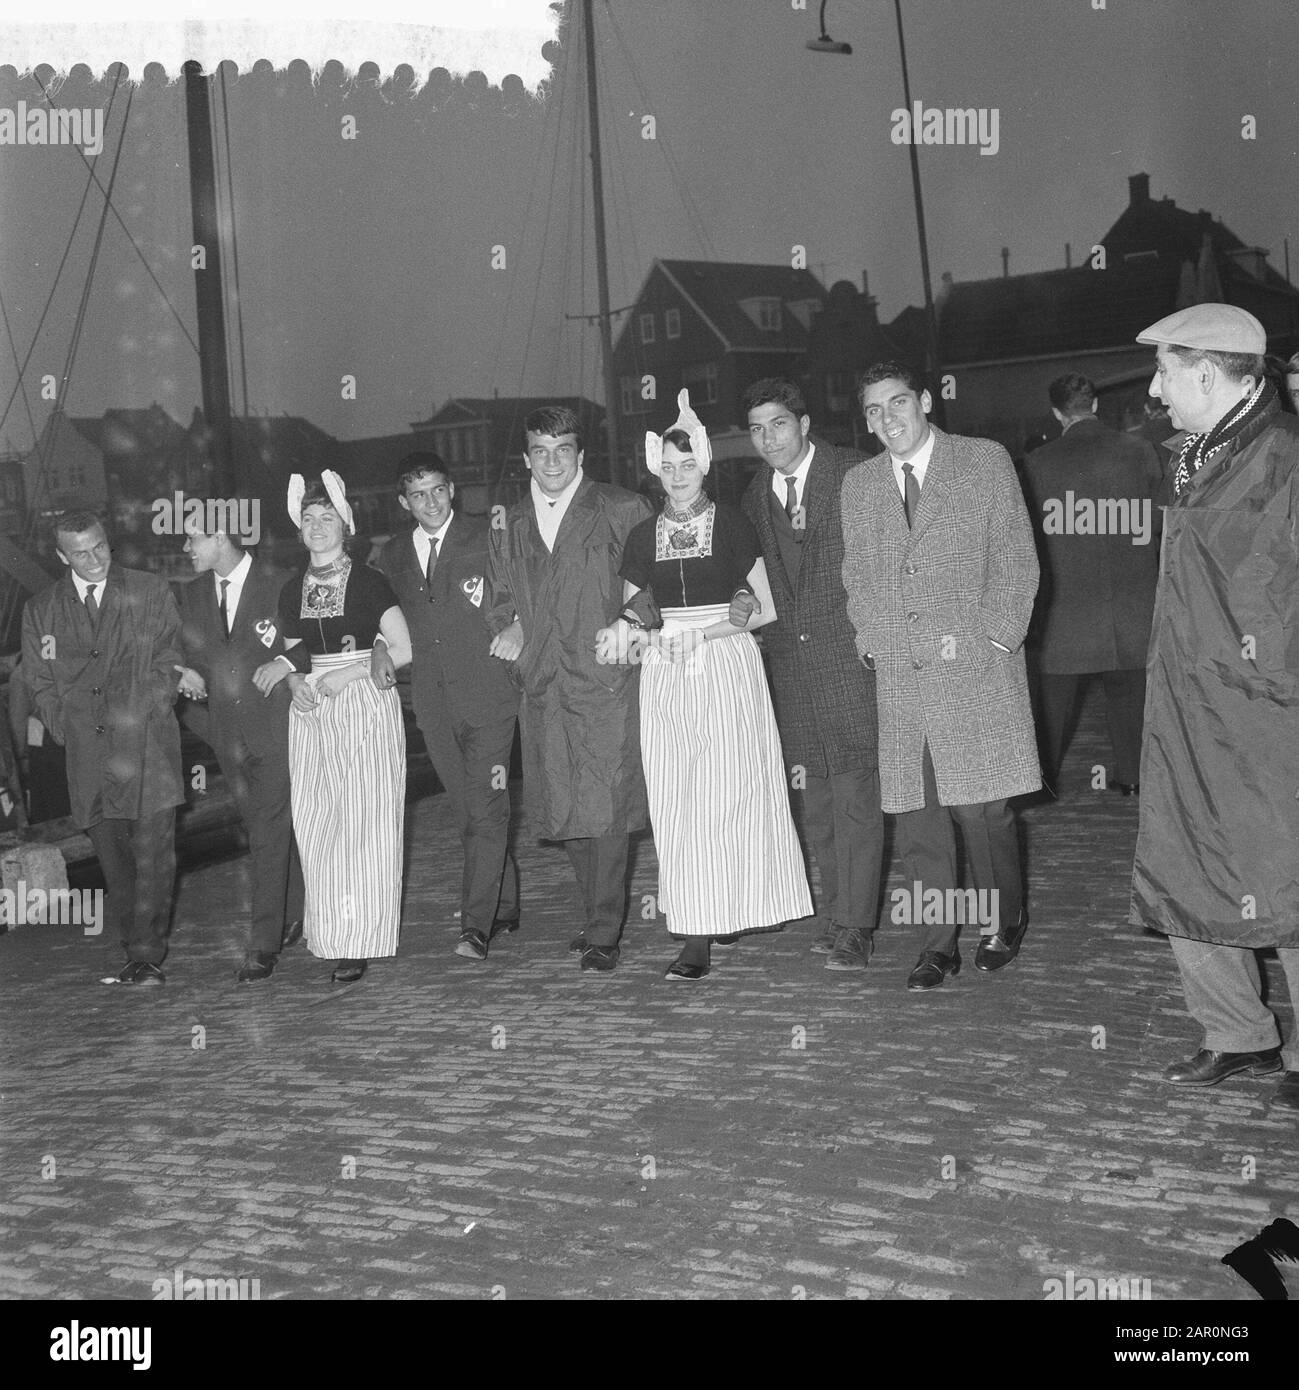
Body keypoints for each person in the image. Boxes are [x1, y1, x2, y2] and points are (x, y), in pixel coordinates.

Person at [1129, 304, 1299, 1105]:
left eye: (1164, 371)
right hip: (1189, 702)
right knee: (1187, 856)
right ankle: (1234, 1033)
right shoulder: (1194, 456)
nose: (1156, 390)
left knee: (1286, 871)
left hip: (1266, 711)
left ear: (1205, 372)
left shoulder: (1282, 460)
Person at [596, 392, 811, 980]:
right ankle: (693, 932)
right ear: (654, 470)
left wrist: (710, 631)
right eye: (666, 467)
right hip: (669, 676)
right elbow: (634, 615)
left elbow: (762, 608)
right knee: (679, 798)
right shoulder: (642, 537)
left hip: (726, 668)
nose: (677, 477)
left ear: (706, 464)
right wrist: (641, 637)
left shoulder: (735, 522)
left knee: (733, 790)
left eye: (686, 465)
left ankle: (735, 904)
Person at [841, 362, 1041, 990]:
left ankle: (1002, 919)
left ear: (926, 401)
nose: (887, 420)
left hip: (974, 666)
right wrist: (870, 636)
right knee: (921, 818)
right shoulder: (860, 483)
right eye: (873, 411)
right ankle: (938, 944)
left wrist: (994, 638)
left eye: (897, 403)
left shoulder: (983, 461)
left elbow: (1016, 560)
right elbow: (860, 576)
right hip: (902, 674)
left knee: (984, 813)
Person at [485, 404, 652, 973]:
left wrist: (630, 624)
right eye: (540, 451)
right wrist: (509, 626)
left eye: (563, 451)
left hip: (605, 678)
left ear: (581, 455)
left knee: (604, 804)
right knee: (565, 804)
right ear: (527, 457)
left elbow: (651, 582)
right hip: (544, 682)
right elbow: (499, 595)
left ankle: (606, 926)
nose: (551, 462)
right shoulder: (509, 520)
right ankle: (594, 914)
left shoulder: (622, 507)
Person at [734, 379, 884, 973]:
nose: (768, 437)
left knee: (856, 799)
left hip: (851, 663)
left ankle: (856, 925)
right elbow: (753, 578)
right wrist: (742, 600)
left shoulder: (856, 472)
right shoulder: (751, 496)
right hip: (791, 672)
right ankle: (836, 913)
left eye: (778, 423)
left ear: (803, 423)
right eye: (756, 428)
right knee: (816, 804)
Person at [254, 472, 412, 984]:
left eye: (327, 518)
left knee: (364, 822)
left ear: (346, 525)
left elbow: (402, 650)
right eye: (308, 518)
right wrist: (294, 677)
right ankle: (328, 932)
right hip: (314, 712)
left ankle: (360, 938)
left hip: (363, 702)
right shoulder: (291, 588)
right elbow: (296, 650)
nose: (317, 527)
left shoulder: (369, 582)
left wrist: (349, 672)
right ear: (297, 529)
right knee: (319, 822)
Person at [21, 511, 184, 984]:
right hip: (88, 757)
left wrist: (144, 710)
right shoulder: (41, 609)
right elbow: (39, 680)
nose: (95, 560)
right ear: (60, 556)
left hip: (148, 748)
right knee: (116, 861)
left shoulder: (149, 590)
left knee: (154, 857)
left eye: (101, 548)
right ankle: (135, 943)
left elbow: (170, 658)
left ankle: (145, 952)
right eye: (81, 553)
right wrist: (64, 727)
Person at [373, 453, 521, 961]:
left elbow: (523, 591)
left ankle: (475, 926)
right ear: (403, 502)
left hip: (489, 695)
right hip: (432, 701)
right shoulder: (392, 553)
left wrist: (517, 625)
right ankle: (504, 902)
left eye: (438, 490)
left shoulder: (489, 534)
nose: (430, 502)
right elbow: (382, 616)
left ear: (452, 489)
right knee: (468, 809)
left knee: (486, 807)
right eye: (418, 494)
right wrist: (376, 648)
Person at [174, 512, 305, 982]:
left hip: (277, 731)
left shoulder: (283, 584)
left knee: (266, 833)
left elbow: (309, 643)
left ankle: (262, 943)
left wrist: (288, 659)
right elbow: (182, 654)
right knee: (266, 828)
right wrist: (183, 672)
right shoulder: (189, 595)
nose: (187, 547)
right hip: (226, 738)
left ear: (221, 535)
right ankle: (295, 910)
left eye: (193, 537)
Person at [1022, 373, 1163, 794]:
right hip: (1132, 608)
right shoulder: (1141, 452)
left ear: (1056, 412)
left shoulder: (1036, 464)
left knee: (1053, 711)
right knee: (1130, 701)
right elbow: (1159, 524)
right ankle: (1134, 781)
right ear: (1095, 405)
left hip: (1067, 615)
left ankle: (1041, 783)